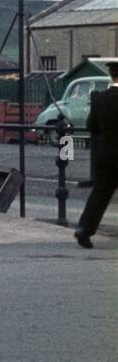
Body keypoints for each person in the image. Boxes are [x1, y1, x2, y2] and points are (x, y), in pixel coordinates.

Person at [75, 61, 118, 248]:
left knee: (100, 194)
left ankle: (84, 229)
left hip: (105, 154)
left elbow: (91, 126)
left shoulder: (100, 98)